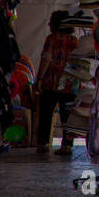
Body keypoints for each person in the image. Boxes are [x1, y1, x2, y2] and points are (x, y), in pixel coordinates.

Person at [34, 10, 78, 155]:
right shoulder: (74, 41)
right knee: (67, 117)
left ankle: (44, 144)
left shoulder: (51, 39)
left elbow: (46, 59)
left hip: (51, 82)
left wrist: (39, 78)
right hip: (69, 84)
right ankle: (67, 145)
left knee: (46, 114)